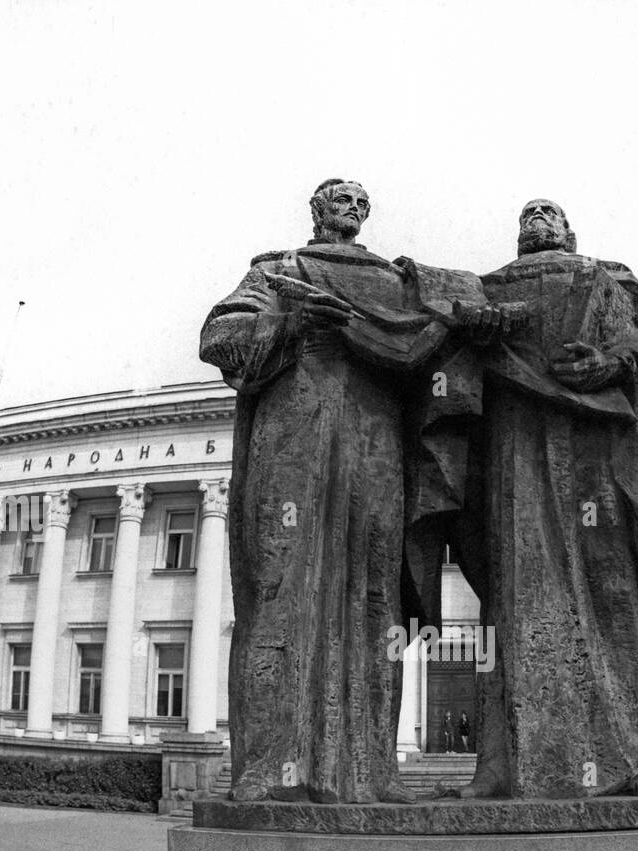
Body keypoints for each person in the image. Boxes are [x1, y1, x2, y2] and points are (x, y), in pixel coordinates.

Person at [199, 180, 487, 804]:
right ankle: (267, 769)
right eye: (340, 200)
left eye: (361, 202)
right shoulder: (280, 270)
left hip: (375, 450)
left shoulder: (395, 283)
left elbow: (440, 343)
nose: (352, 209)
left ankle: (370, 771)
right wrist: (289, 322)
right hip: (294, 443)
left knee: (374, 599)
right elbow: (218, 336)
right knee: (282, 592)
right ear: (316, 210)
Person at [457, 199, 638, 798]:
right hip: (512, 460)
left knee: (610, 594)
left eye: (550, 212)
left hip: (596, 460)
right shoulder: (485, 293)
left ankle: (622, 766)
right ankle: (502, 767)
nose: (538, 217)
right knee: (513, 604)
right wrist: (468, 337)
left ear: (569, 231)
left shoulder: (605, 279)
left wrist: (616, 360)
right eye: (529, 213)